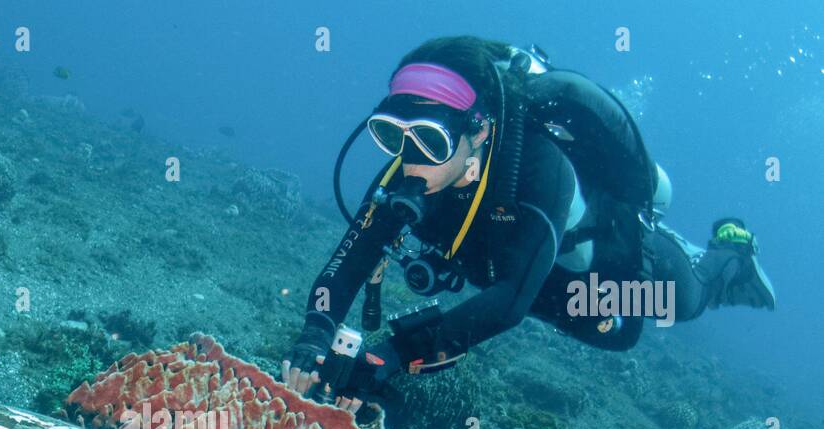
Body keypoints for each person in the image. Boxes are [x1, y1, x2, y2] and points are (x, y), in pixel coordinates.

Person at [283, 36, 775, 410]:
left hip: (599, 268)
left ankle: (729, 254)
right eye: (393, 135)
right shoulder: (405, 171)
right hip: (514, 273)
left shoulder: (540, 165)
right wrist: (315, 332)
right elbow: (349, 261)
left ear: (478, 129)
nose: (411, 160)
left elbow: (509, 303)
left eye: (430, 141)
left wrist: (390, 355)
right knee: (598, 326)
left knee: (671, 309)